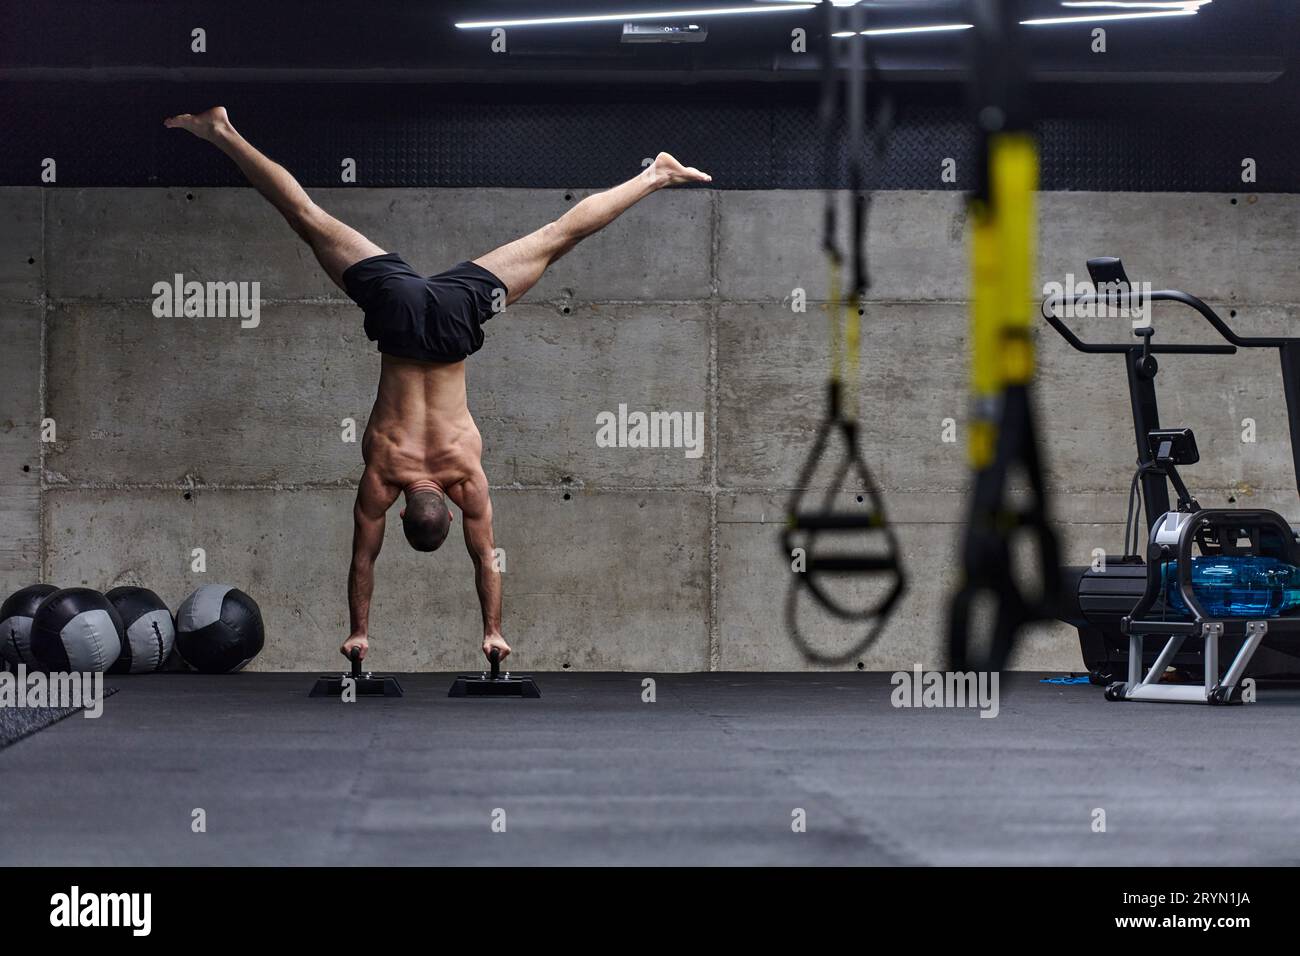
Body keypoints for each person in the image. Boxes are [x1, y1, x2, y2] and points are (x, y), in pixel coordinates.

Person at [165, 106, 711, 664]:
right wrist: (359, 633)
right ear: (405, 512)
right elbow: (362, 560)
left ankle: (654, 174)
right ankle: (222, 132)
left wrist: (494, 632)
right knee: (306, 217)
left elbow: (485, 558)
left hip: (455, 318)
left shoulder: (466, 477)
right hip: (398, 317)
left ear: (447, 510)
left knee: (557, 237)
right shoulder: (384, 476)